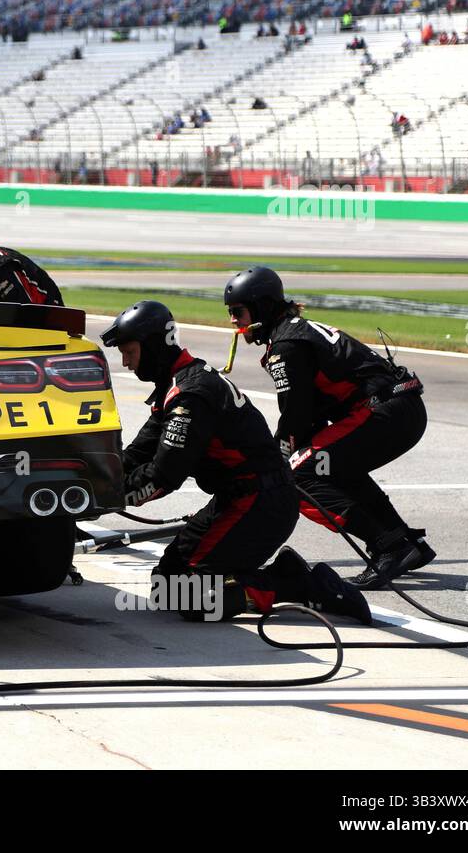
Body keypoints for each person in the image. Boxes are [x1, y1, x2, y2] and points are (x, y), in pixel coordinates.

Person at [100, 301, 369, 623]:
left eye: (129, 352)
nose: (126, 362)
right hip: (238, 498)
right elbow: (137, 455)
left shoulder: (191, 395)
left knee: (192, 599)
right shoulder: (177, 386)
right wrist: (91, 479)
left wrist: (105, 498)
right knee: (167, 586)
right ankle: (284, 572)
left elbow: (162, 476)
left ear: (153, 345)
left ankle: (299, 585)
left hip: (261, 503)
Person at [223, 267, 435, 589]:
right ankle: (403, 542)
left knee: (299, 475)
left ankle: (389, 545)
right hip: (397, 408)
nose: (233, 321)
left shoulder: (286, 345)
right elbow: (307, 419)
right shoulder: (291, 332)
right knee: (327, 466)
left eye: (237, 312)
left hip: (386, 411)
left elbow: (295, 415)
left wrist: (276, 460)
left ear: (262, 307)